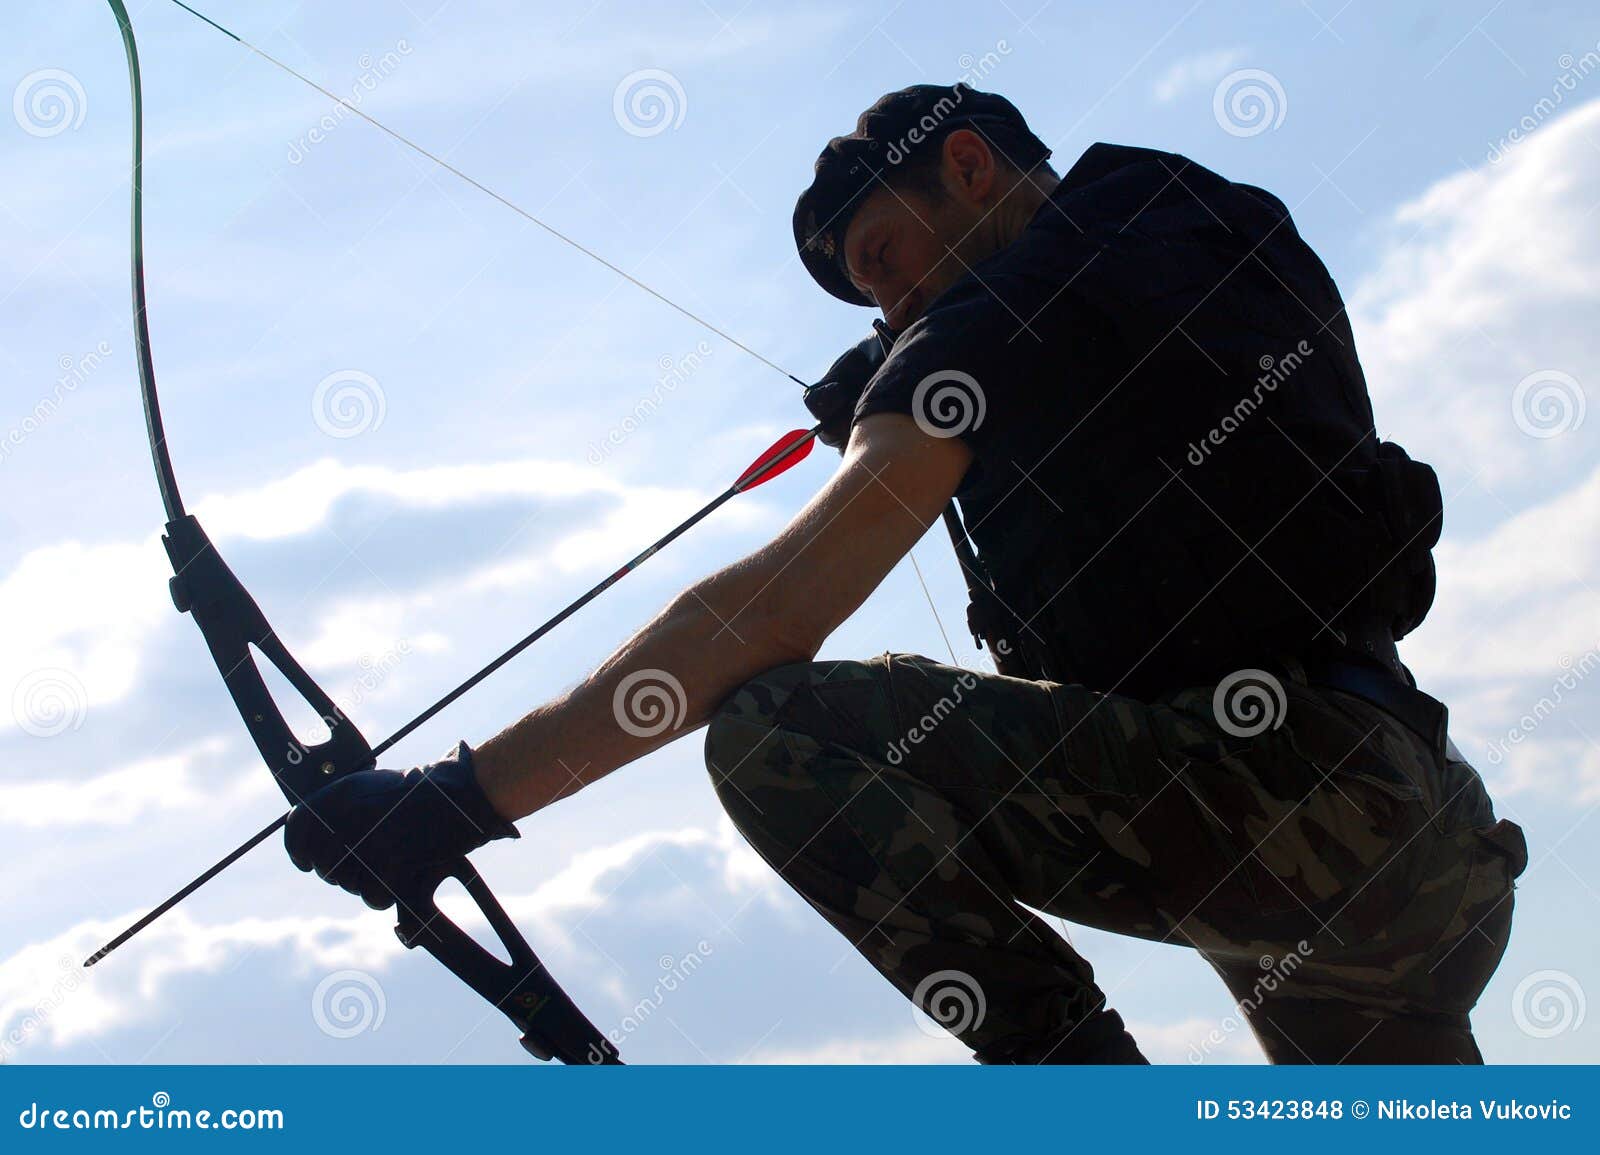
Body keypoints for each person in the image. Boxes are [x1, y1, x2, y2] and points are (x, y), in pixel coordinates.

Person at [285, 83, 1527, 1064]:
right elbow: (1142, 392)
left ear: (969, 166)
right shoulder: (1198, 220)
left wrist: (459, 801)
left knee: (779, 730)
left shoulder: (989, 322)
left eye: (881, 255)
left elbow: (774, 611)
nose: (882, 305)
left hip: (1292, 818)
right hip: (1420, 848)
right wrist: (941, 370)